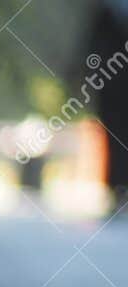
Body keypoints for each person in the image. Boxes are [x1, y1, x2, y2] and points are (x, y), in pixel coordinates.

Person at [84, 1, 128, 204]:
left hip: (111, 86)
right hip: (111, 88)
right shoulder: (106, 14)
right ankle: (118, 189)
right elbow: (93, 50)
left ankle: (119, 188)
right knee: (114, 139)